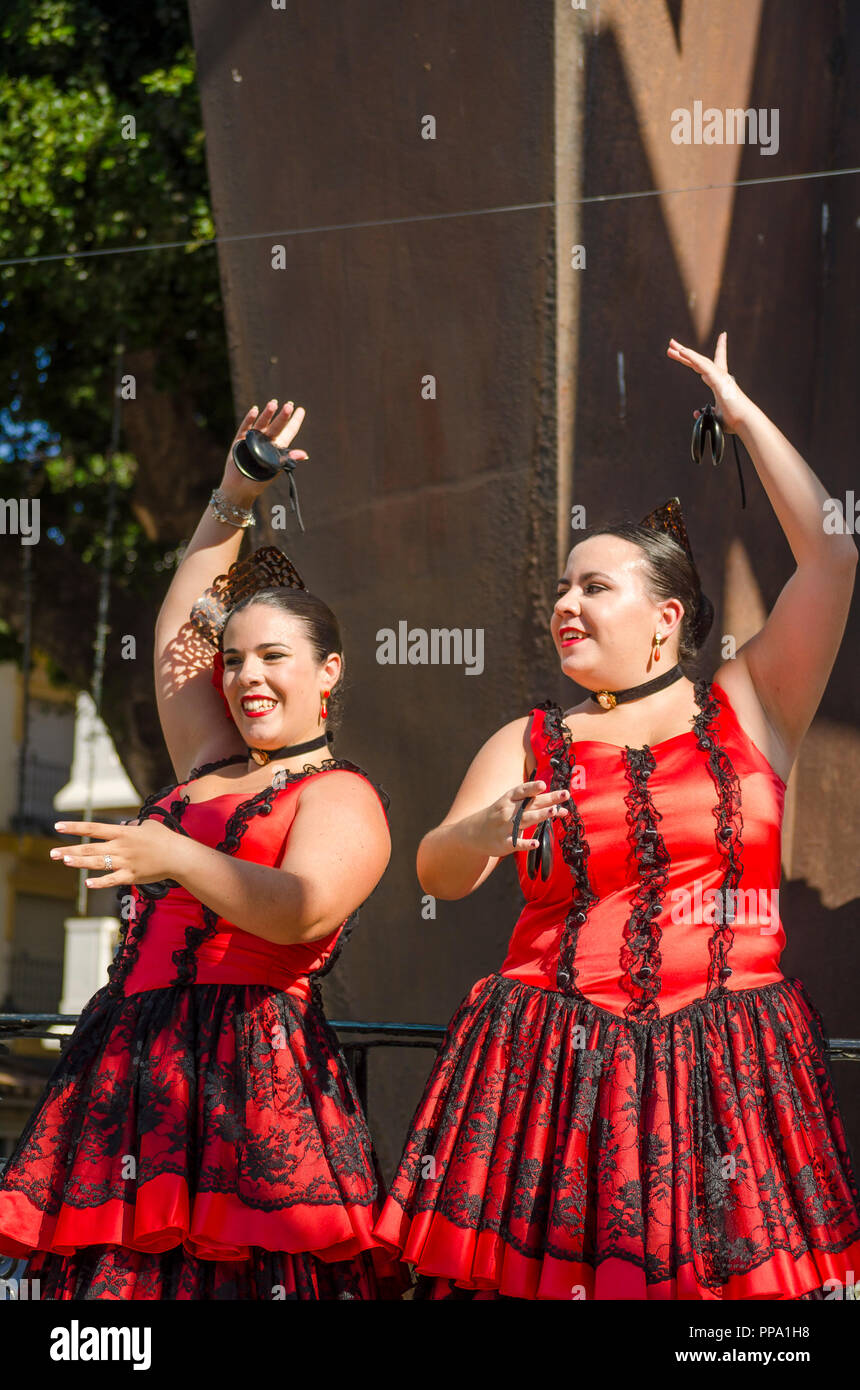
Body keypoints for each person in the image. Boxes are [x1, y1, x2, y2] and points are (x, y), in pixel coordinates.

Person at [373, 333, 860, 1300]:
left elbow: (834, 556)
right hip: (552, 1062)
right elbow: (435, 869)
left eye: (594, 585)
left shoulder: (750, 705)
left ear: (668, 617)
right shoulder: (531, 738)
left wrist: (742, 414)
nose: (565, 603)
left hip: (726, 1056)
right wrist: (481, 832)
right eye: (559, 586)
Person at [0, 398, 407, 1300]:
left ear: (328, 670)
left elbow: (303, 906)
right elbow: (181, 620)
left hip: (249, 1072)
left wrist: (175, 858)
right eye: (232, 660)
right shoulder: (209, 761)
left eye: (272, 658)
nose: (245, 677)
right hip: (130, 1060)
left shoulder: (341, 794)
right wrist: (235, 491)